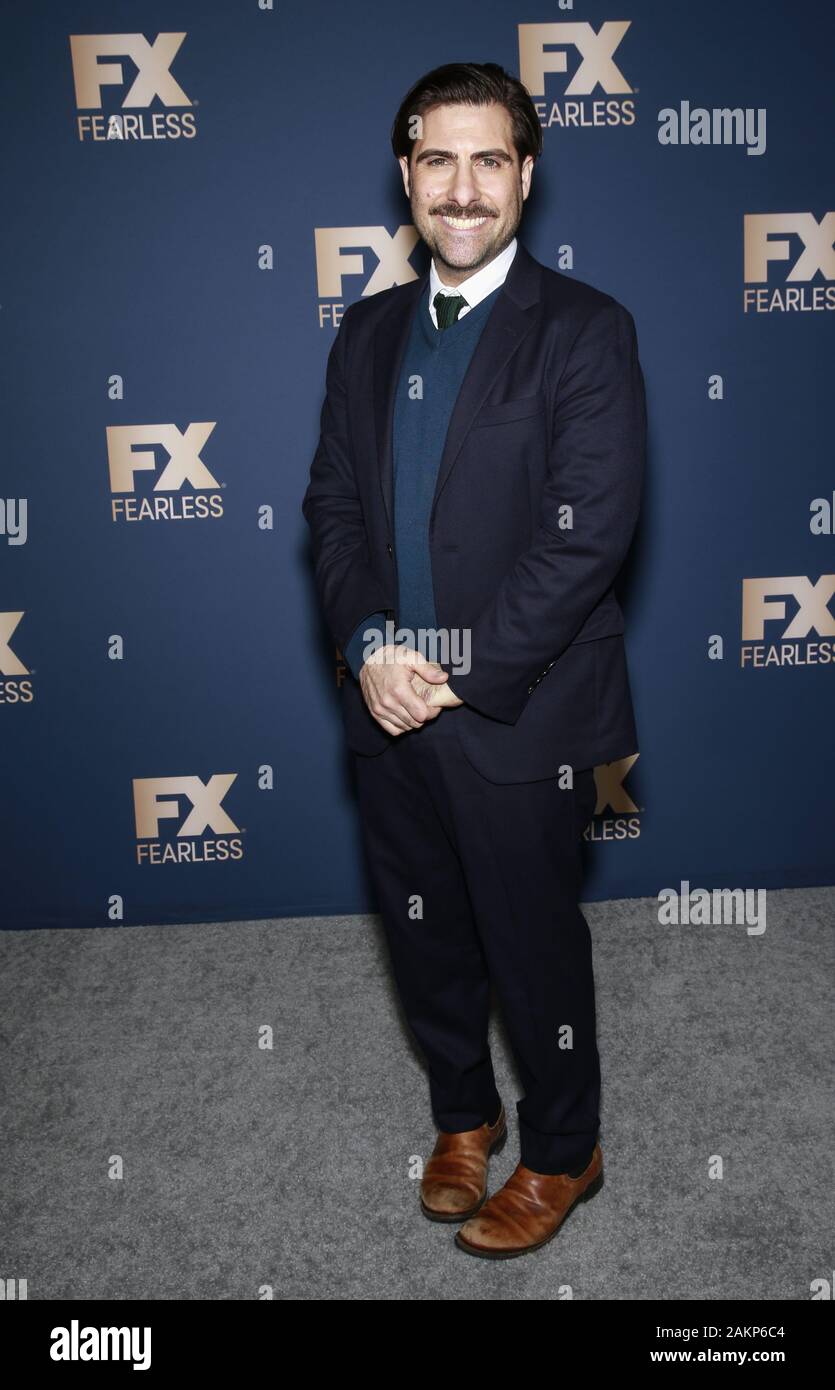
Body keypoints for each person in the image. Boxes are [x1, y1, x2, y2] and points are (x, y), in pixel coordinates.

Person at [302, 61, 646, 1259]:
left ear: (526, 175)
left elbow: (590, 531)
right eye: (437, 160)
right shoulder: (364, 330)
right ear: (405, 177)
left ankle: (563, 1147)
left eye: (487, 160)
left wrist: (447, 669)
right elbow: (334, 510)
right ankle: (463, 1116)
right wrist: (367, 647)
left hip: (519, 712)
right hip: (384, 701)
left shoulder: (587, 330)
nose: (461, 188)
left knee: (530, 939)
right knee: (424, 930)